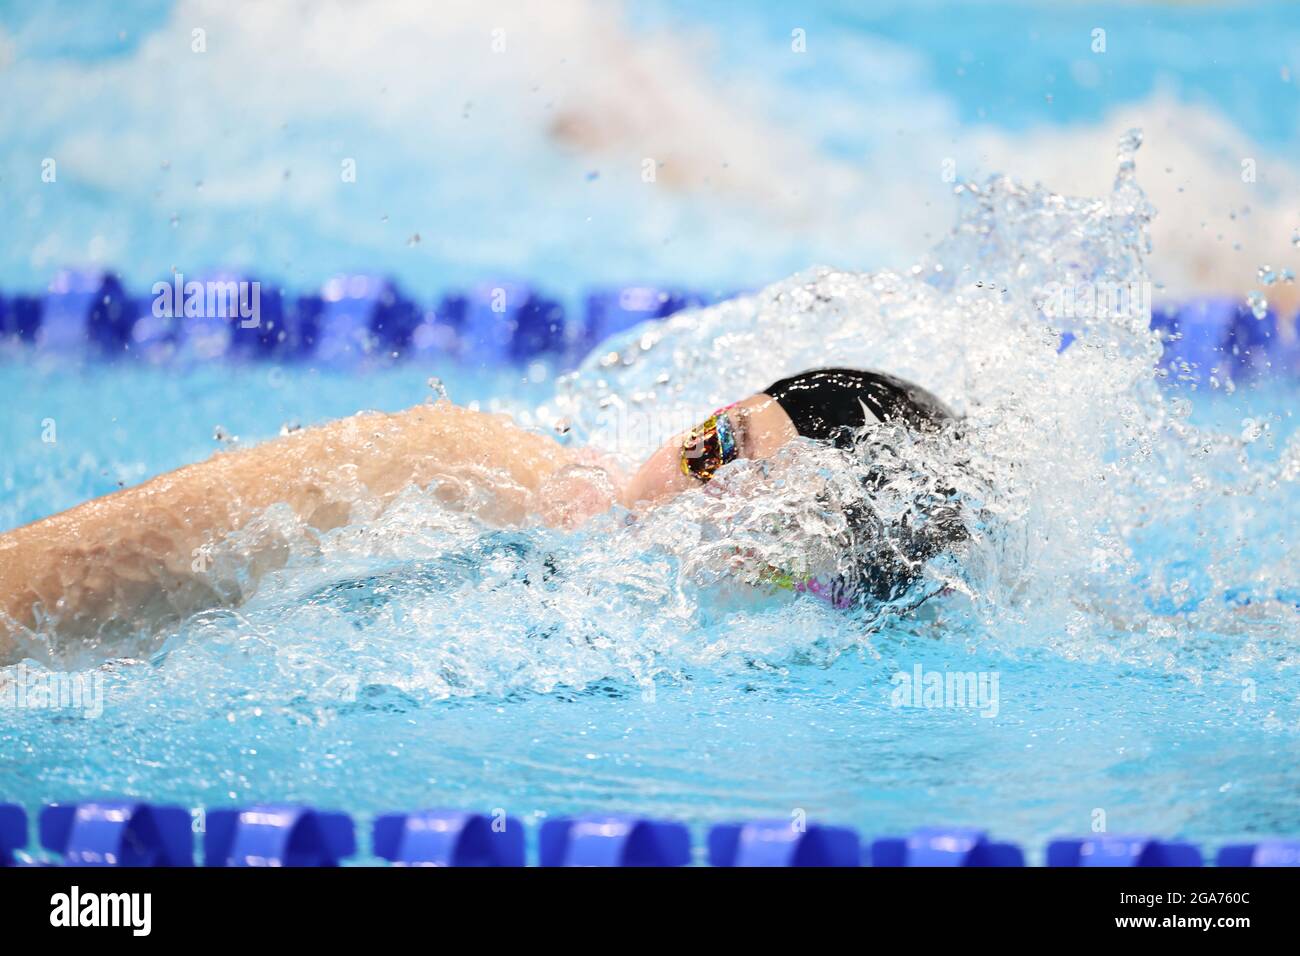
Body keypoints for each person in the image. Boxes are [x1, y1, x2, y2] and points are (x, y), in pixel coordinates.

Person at [0, 368, 958, 664]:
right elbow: (69, 570)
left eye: (777, 544)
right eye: (719, 448)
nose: (696, 505)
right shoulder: (459, 463)